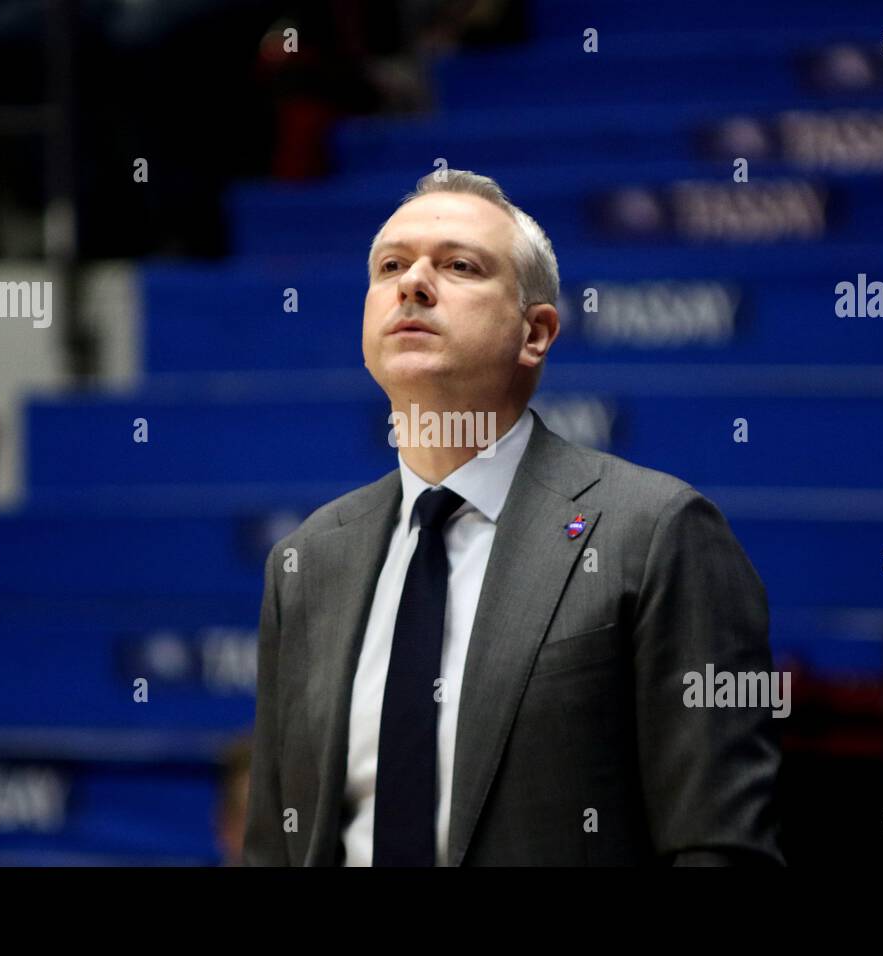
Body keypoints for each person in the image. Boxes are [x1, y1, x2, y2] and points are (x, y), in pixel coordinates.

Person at [243, 170, 783, 866]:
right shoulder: (306, 562)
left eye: (459, 265)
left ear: (536, 332)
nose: (413, 283)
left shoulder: (656, 533)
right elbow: (271, 849)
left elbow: (720, 849)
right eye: (391, 265)